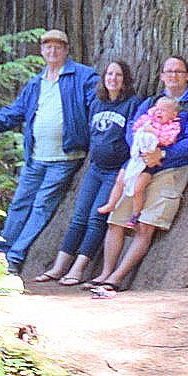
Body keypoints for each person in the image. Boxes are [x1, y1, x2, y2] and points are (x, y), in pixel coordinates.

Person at [0, 29, 98, 275]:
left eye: (58, 47)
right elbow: (16, 112)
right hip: (35, 157)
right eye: (48, 47)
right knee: (19, 204)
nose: (52, 51)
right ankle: (1, 252)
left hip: (64, 157)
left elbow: (98, 105)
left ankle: (15, 258)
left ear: (66, 50)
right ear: (42, 52)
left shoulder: (82, 76)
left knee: (41, 207)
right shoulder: (36, 83)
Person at [90, 55, 188, 298]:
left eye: (179, 71)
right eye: (169, 71)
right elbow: (132, 128)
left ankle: (116, 278)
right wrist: (143, 150)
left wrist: (163, 153)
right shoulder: (150, 102)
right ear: (162, 76)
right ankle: (105, 272)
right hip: (139, 166)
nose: (173, 75)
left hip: (169, 170)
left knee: (146, 224)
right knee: (116, 220)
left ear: (187, 75)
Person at [33, 59, 141, 286]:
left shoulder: (132, 104)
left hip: (115, 172)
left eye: (118, 75)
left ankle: (79, 268)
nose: (113, 78)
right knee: (78, 217)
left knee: (96, 218)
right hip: (95, 169)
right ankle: (59, 266)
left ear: (125, 80)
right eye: (109, 74)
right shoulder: (97, 103)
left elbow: (134, 137)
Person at [96, 96, 182, 227]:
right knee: (120, 180)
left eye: (164, 110)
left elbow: (167, 140)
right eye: (157, 109)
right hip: (135, 156)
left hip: (148, 160)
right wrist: (141, 131)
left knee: (138, 188)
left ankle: (135, 215)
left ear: (173, 114)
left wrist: (154, 132)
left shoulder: (172, 126)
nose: (159, 112)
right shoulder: (147, 119)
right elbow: (135, 127)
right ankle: (111, 204)